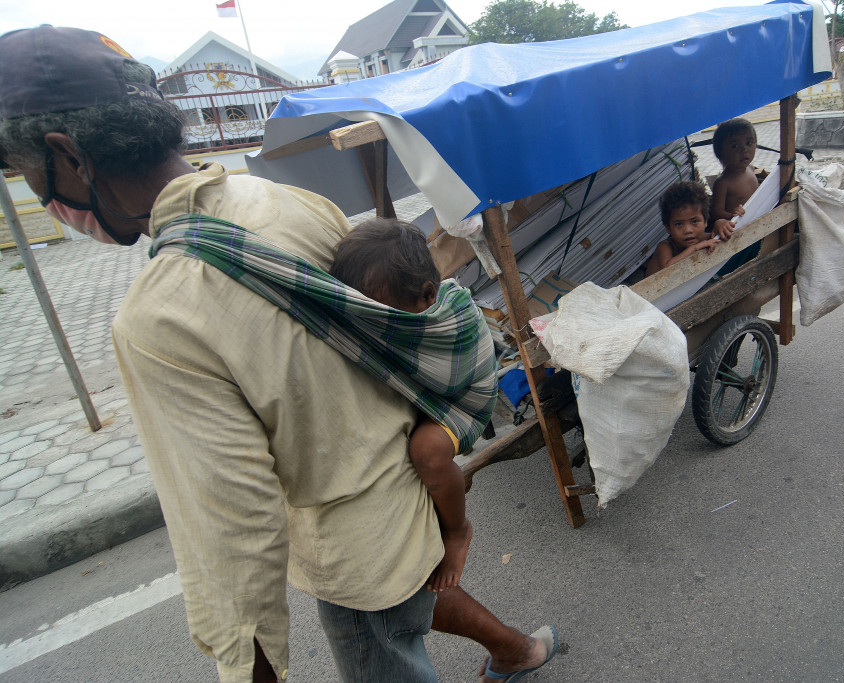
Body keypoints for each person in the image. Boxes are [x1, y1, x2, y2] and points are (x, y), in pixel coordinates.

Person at [0, 25, 557, 683]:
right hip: (409, 492)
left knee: (386, 628)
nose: (41, 195)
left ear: (68, 156)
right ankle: (517, 650)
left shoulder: (158, 318)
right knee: (408, 604)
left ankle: (515, 650)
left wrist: (250, 671)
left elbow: (231, 534)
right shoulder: (292, 204)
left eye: (28, 173)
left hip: (352, 546)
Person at [329, 217, 473, 594]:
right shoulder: (396, 314)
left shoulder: (447, 314)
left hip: (465, 403)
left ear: (427, 295)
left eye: (382, 315)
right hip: (434, 401)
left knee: (427, 451)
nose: (373, 325)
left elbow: (454, 378)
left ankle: (458, 529)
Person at [645, 180, 718, 276]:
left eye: (695, 221)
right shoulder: (665, 246)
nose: (688, 230)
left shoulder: (706, 238)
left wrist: (720, 223)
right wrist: (694, 248)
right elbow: (667, 269)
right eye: (679, 224)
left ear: (706, 221)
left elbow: (718, 235)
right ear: (668, 228)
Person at [710, 117, 759, 241]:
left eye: (749, 143)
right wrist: (732, 216)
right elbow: (716, 211)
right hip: (737, 231)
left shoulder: (751, 169)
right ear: (720, 153)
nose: (744, 150)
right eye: (735, 146)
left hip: (756, 223)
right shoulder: (723, 182)